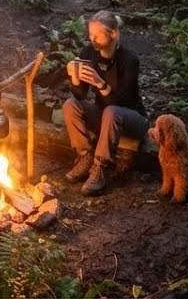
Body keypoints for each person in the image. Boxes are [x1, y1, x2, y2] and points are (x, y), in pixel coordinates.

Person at [61, 11, 148, 195]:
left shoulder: (129, 60)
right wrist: (75, 77)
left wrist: (100, 83)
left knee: (112, 111)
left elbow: (123, 100)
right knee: (70, 104)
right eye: (90, 34)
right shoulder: (88, 53)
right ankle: (85, 156)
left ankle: (100, 167)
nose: (92, 39)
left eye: (97, 35)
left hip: (132, 118)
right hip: (105, 115)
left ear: (113, 33)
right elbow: (80, 95)